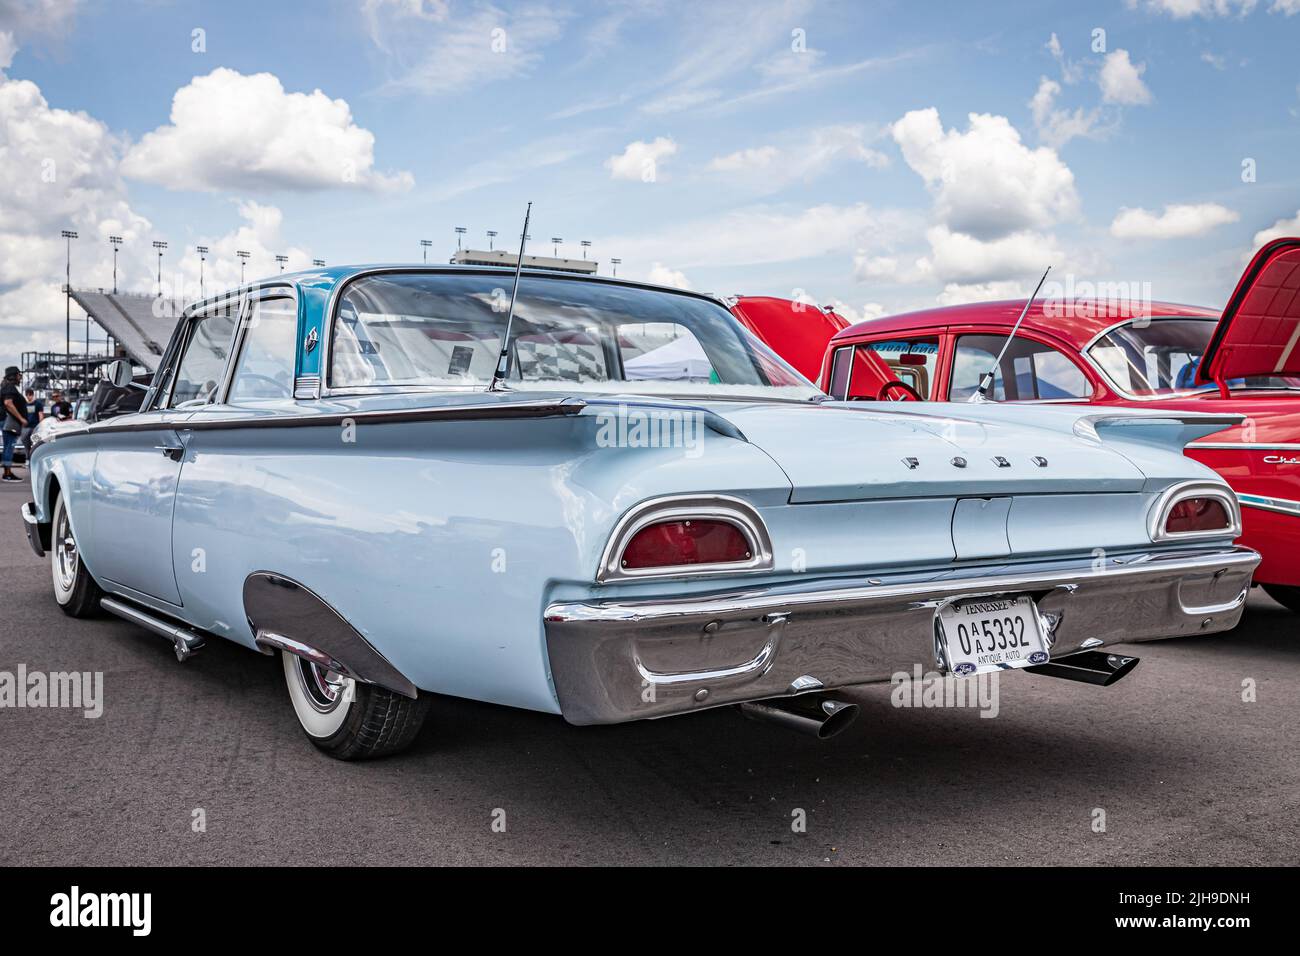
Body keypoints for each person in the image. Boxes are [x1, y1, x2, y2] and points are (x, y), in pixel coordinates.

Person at [2, 367, 28, 481]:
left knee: (8, 447)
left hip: (8, 422)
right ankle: (7, 474)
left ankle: (7, 472)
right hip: (9, 423)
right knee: (9, 447)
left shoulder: (6, 386)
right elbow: (8, 403)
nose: (20, 377)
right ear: (13, 376)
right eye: (19, 375)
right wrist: (21, 418)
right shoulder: (9, 387)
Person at [22, 387, 42, 459]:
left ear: (32, 395)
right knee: (25, 443)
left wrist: (40, 425)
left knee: (36, 443)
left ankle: (35, 458)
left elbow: (40, 414)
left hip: (35, 427)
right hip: (26, 427)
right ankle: (28, 459)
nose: (28, 396)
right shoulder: (24, 404)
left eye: (30, 395)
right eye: (27, 395)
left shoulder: (38, 404)